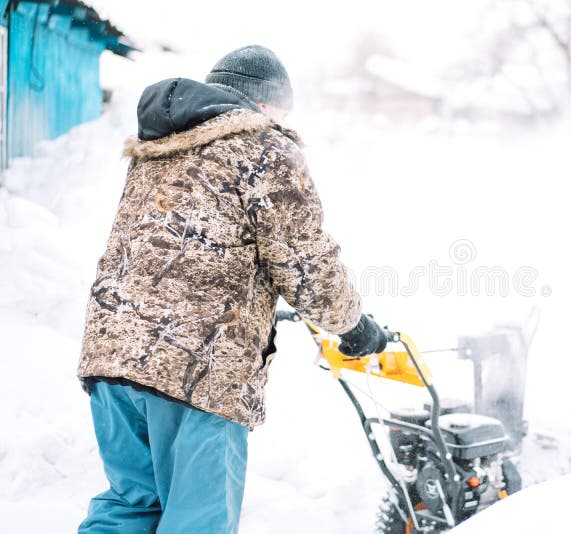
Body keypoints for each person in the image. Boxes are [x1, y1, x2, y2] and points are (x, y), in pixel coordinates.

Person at [76, 45, 387, 533]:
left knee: (131, 506)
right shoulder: (264, 149)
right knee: (197, 520)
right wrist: (354, 326)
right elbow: (305, 262)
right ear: (265, 102)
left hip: (112, 356)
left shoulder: (159, 147)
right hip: (195, 367)